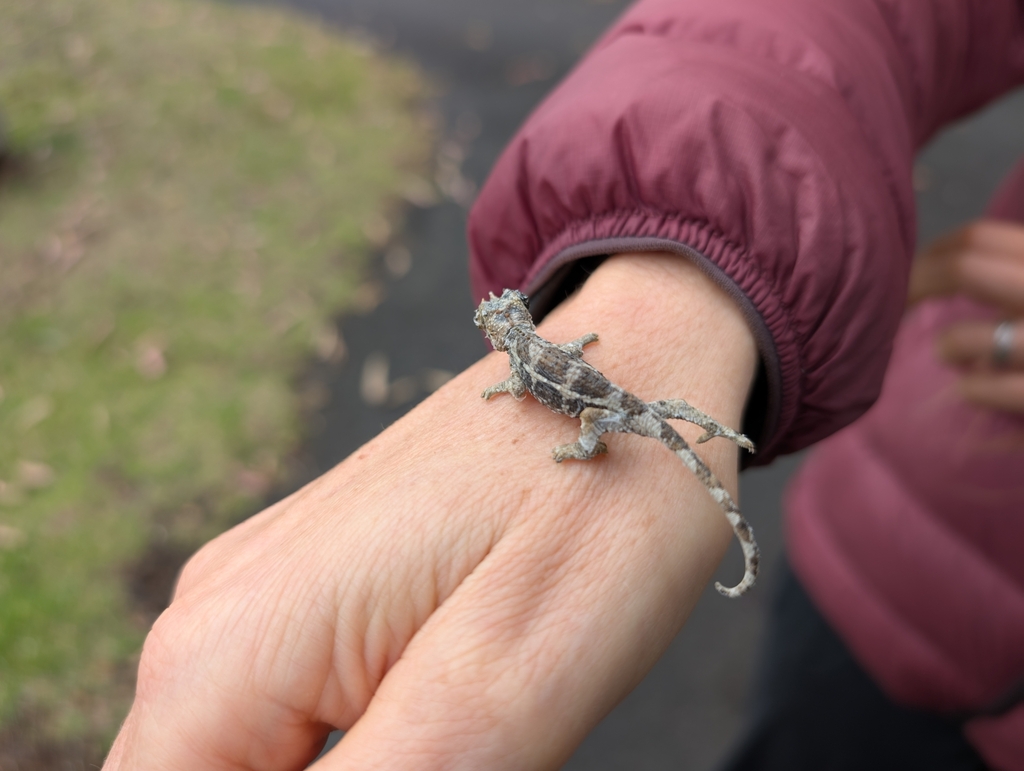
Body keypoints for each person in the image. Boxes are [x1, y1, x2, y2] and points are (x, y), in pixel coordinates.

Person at [102, 2, 1024, 769]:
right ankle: (718, 463)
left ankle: (717, 479)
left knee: (659, 427)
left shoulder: (520, 363)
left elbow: (538, 380)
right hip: (893, 566)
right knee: (671, 429)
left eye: (502, 322)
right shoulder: (524, 354)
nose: (500, 323)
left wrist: (583, 433)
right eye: (505, 320)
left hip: (626, 417)